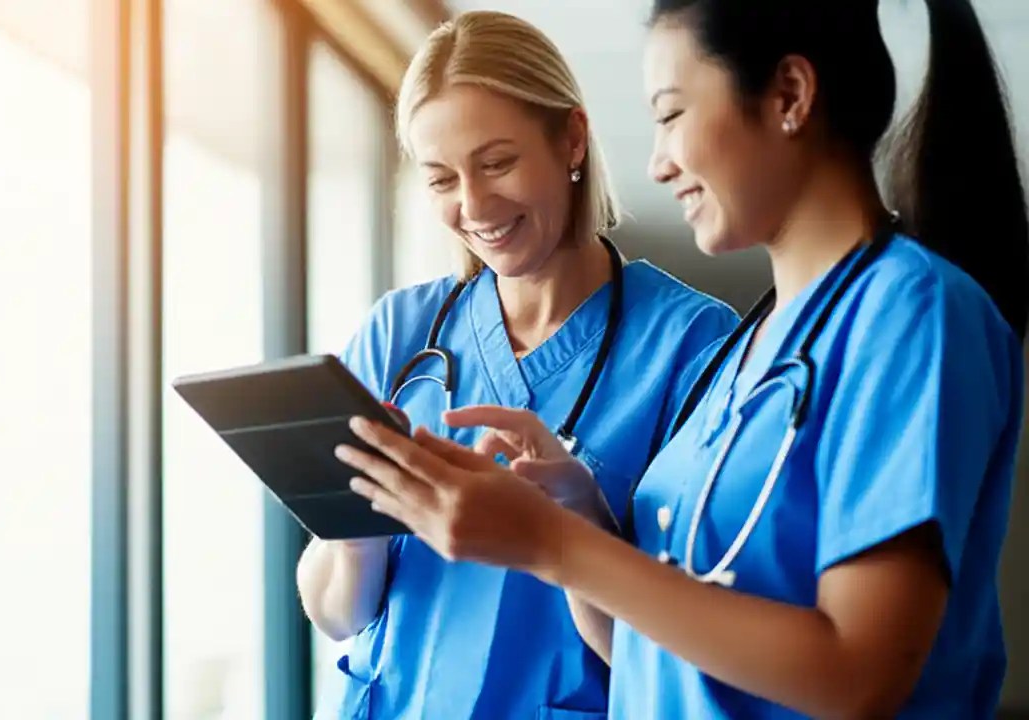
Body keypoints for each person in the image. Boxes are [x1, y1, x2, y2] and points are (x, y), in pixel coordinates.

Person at [336, 0, 1028, 717]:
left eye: (670, 115)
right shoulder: (751, 350)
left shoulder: (910, 313)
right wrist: (580, 519)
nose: (657, 163)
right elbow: (651, 641)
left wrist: (552, 544)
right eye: (441, 176)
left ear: (789, 96)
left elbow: (859, 673)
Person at [298, 9, 737, 719]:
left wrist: (579, 525)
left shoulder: (693, 348)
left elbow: (698, 655)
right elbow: (338, 613)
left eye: (497, 163)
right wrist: (362, 522)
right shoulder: (397, 335)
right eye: (441, 180)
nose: (474, 205)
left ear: (571, 138)